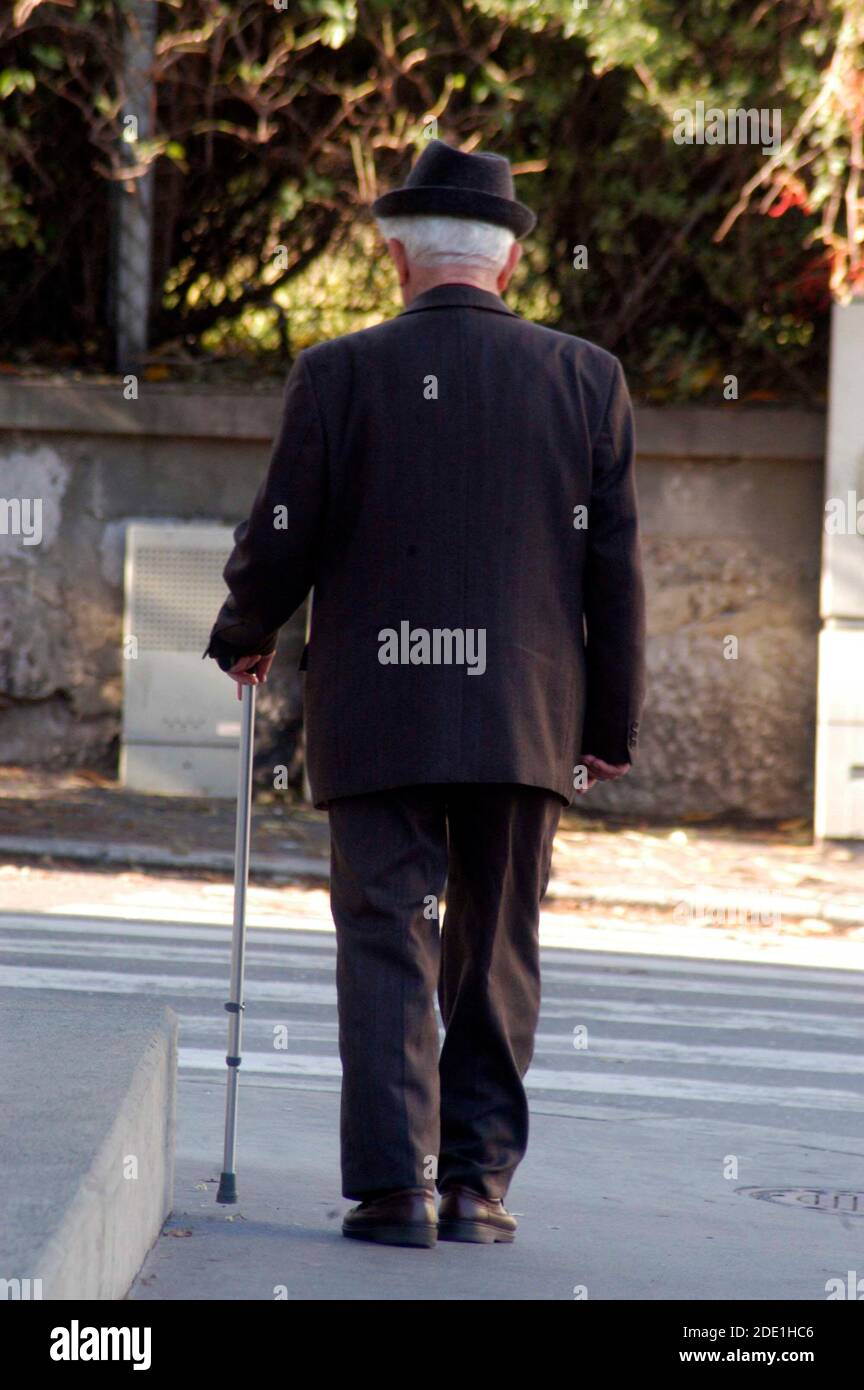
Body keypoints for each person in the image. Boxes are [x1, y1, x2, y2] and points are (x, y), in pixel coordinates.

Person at [203, 139, 646, 1249]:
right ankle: (478, 1188)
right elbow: (615, 572)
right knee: (496, 946)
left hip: (382, 704)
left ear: (399, 256)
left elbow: (283, 535)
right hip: (524, 715)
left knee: (387, 933)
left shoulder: (338, 373)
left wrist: (246, 631)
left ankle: (397, 1187)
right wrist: (609, 727)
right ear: (507, 268)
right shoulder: (587, 377)